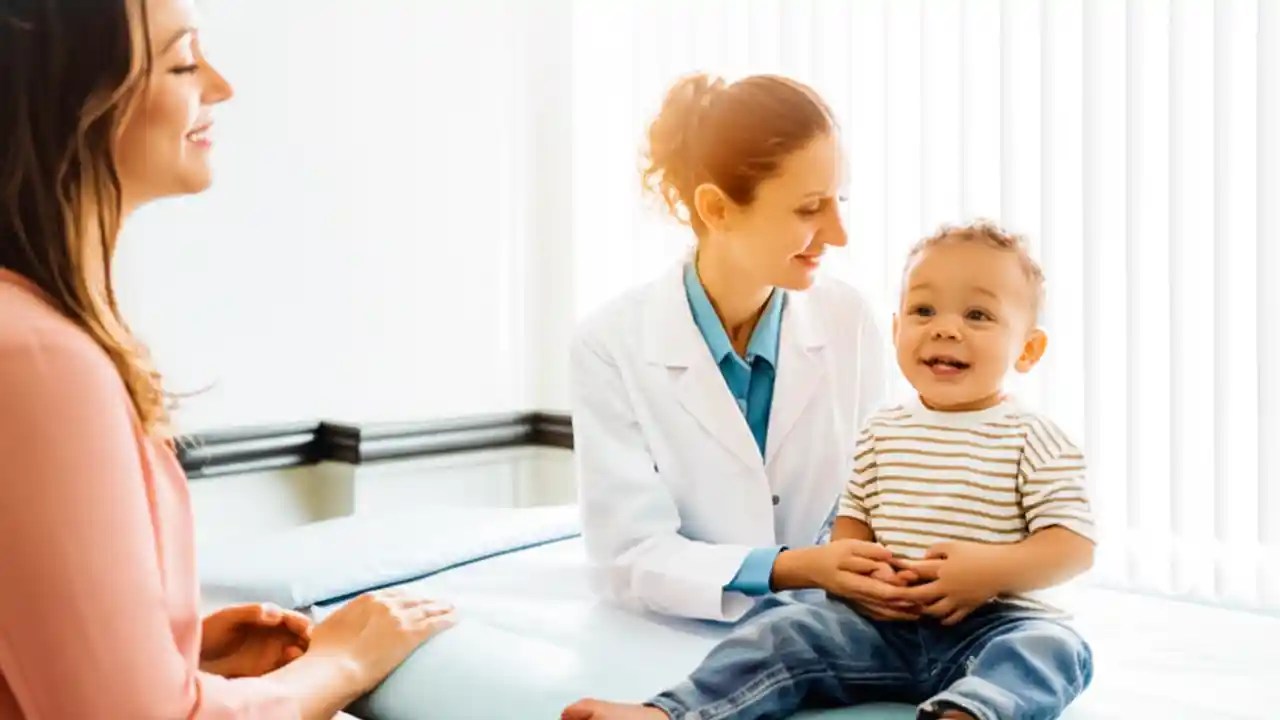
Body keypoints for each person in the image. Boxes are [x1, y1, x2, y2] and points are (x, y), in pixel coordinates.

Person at [0, 1, 454, 717]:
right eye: (183, 62)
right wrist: (341, 662)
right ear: (72, 100)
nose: (219, 85)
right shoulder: (39, 362)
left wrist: (176, 654)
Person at [564, 222, 1097, 720]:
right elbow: (855, 520)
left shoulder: (1035, 436)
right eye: (923, 311)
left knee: (1054, 649)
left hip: (990, 623)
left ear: (1029, 349)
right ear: (895, 331)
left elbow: (1072, 546)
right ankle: (671, 712)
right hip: (882, 626)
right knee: (784, 630)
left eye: (977, 316)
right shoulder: (881, 430)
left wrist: (987, 574)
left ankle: (969, 711)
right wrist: (862, 575)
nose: (945, 331)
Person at [568, 70, 922, 627]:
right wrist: (791, 569)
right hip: (673, 629)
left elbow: (869, 498)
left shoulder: (848, 318)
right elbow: (628, 556)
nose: (839, 234)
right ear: (717, 209)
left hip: (824, 624)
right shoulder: (609, 344)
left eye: (839, 201)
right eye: (810, 208)